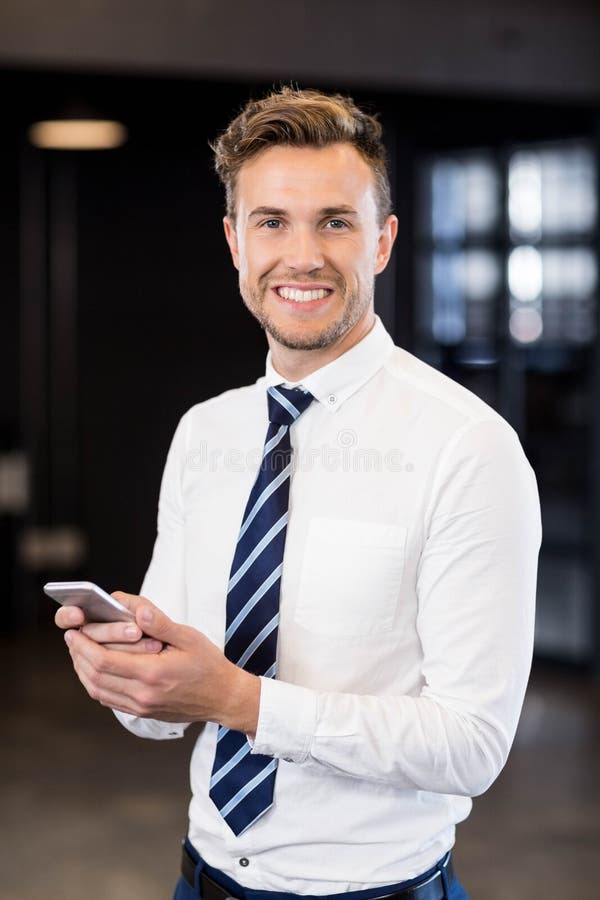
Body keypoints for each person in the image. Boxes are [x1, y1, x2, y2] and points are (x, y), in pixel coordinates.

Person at [56, 87, 541, 900]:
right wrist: (132, 679)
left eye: (335, 221)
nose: (302, 255)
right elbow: (166, 713)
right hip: (201, 877)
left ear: (382, 241)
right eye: (272, 222)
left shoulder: (470, 447)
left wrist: (242, 701)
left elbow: (471, 746)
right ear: (234, 242)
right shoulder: (204, 432)